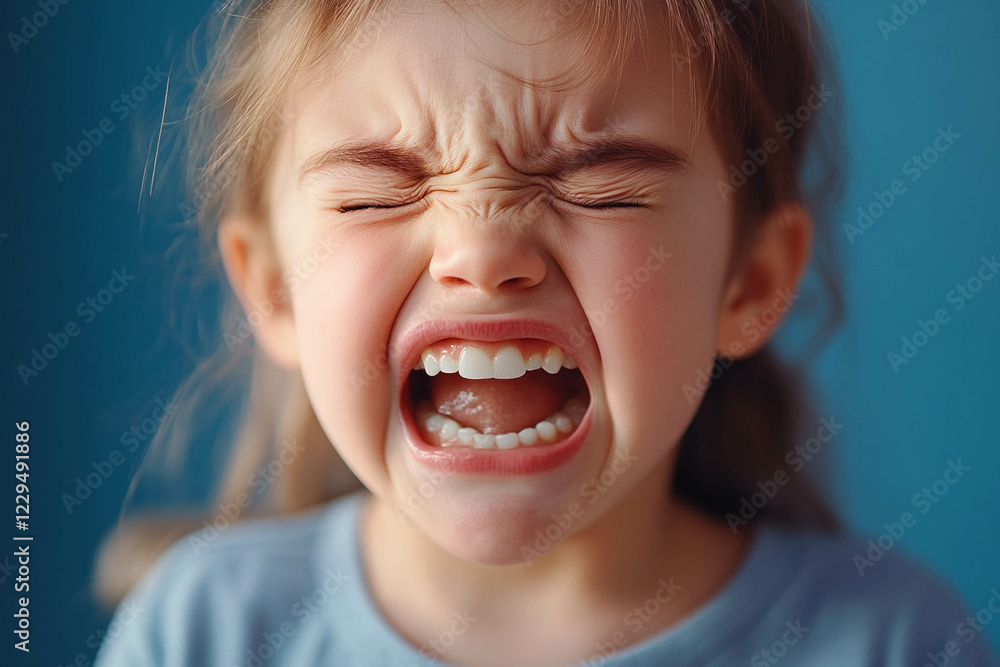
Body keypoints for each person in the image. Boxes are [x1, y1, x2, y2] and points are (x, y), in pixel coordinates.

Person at [93, 0, 999, 665]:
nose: (482, 250)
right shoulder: (202, 635)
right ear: (274, 288)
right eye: (377, 191)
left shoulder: (896, 642)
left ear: (750, 280)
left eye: (603, 187)